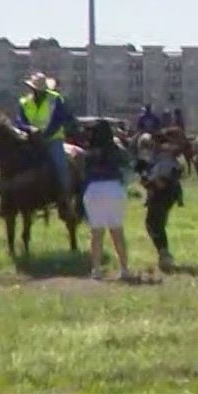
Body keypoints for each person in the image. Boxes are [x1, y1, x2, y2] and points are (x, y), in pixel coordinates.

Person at [80, 119, 133, 281]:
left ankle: (96, 269)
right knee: (117, 231)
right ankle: (124, 269)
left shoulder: (89, 152)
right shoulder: (116, 150)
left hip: (94, 190)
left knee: (96, 233)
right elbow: (128, 164)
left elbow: (84, 172)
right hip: (114, 188)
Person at [14, 71, 75, 204]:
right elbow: (19, 121)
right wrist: (29, 129)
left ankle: (65, 196)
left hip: (52, 139)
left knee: (61, 165)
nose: (35, 91)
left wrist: (45, 135)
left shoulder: (55, 99)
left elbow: (59, 120)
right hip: (30, 139)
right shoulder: (24, 102)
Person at [136, 147, 185, 271]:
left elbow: (160, 182)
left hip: (162, 194)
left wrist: (148, 181)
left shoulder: (162, 158)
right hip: (166, 193)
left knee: (154, 224)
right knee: (155, 224)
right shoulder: (163, 158)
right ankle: (164, 253)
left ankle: (165, 255)